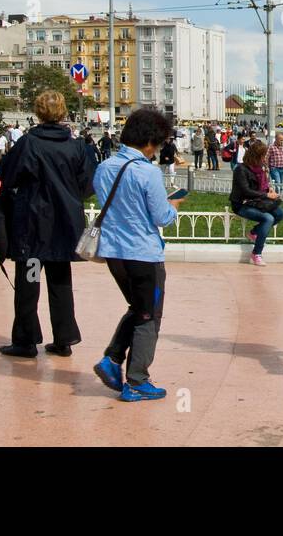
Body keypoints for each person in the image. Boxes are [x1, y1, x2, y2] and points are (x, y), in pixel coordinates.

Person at [91, 108, 184, 402]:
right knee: (148, 316)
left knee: (137, 307)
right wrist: (174, 208)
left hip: (114, 253)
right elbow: (161, 215)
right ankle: (136, 380)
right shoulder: (146, 171)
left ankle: (112, 358)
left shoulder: (104, 168)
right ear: (150, 142)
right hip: (143, 255)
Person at [0, 90, 97, 358]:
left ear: (38, 112)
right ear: (63, 112)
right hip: (64, 226)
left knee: (29, 281)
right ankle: (64, 338)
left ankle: (26, 339)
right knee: (60, 280)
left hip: (33, 227)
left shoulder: (29, 143)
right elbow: (88, 185)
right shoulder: (76, 146)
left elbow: (8, 174)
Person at [231, 140, 283, 266]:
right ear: (255, 156)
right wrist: (267, 194)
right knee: (267, 218)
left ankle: (254, 232)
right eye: (262, 155)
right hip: (243, 203)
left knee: (280, 214)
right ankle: (257, 253)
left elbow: (263, 184)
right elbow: (246, 190)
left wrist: (269, 189)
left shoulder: (261, 167)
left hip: (258, 201)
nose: (264, 158)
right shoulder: (241, 169)